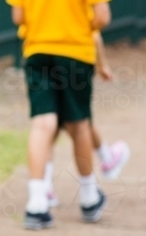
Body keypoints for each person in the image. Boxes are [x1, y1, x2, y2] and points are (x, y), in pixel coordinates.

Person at [5, 0, 113, 230]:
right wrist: (82, 23)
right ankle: (88, 196)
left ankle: (37, 202)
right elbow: (103, 17)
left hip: (37, 52)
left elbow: (17, 16)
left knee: (43, 123)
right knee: (79, 123)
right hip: (76, 54)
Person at [44, 30, 131, 207]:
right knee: (78, 119)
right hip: (75, 57)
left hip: (41, 56)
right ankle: (91, 190)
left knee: (51, 123)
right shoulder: (76, 4)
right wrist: (102, 64)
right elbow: (95, 31)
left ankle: (44, 187)